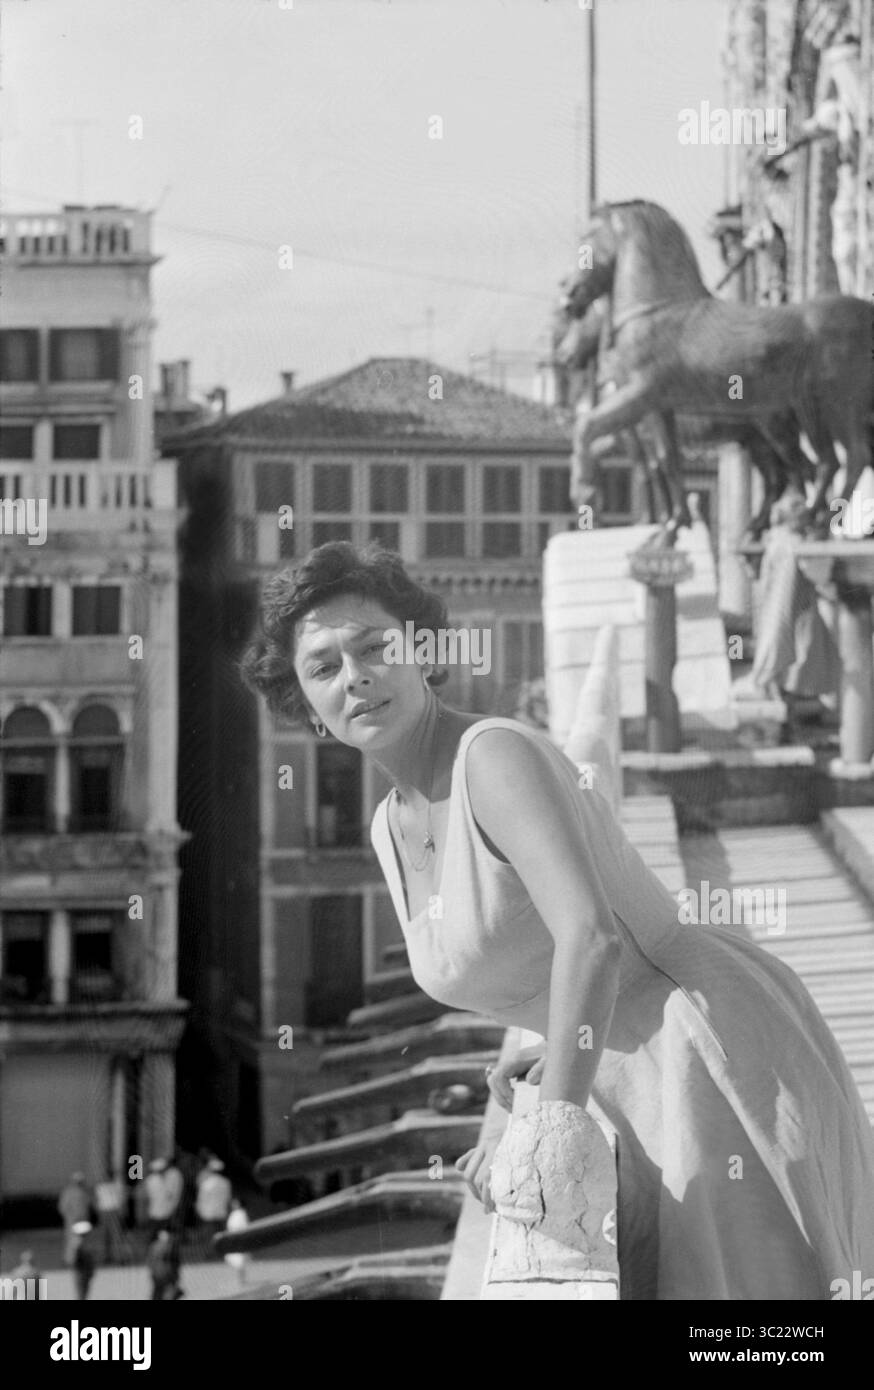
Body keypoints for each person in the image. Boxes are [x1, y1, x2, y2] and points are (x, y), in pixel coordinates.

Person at [241, 540, 874, 1300]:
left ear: (422, 651)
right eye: (324, 669)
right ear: (304, 705)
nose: (358, 678)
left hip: (700, 1051)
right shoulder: (387, 825)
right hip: (623, 1079)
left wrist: (543, 1131)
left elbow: (593, 937)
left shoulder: (492, 757)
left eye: (375, 647)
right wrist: (552, 1058)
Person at [195, 1158, 232, 1255]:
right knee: (221, 1235)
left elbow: (201, 1200)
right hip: (221, 1212)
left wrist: (199, 1211)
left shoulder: (206, 1184)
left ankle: (210, 1253)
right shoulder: (226, 1183)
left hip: (208, 1213)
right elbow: (228, 1198)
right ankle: (221, 1252)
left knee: (209, 1236)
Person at [58, 1172, 94, 1266]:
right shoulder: (68, 1193)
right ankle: (70, 1259)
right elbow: (63, 1207)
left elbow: (88, 1205)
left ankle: (83, 1258)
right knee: (71, 1240)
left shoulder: (84, 1192)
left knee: (84, 1240)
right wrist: (70, 1217)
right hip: (72, 1220)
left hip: (83, 1219)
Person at [94, 1172, 129, 1263]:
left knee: (115, 1236)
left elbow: (96, 1201)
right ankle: (108, 1256)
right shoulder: (102, 1187)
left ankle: (117, 1257)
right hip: (108, 1212)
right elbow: (123, 1200)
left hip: (111, 1212)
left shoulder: (112, 1186)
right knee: (107, 1236)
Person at [144, 1159, 175, 1242]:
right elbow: (169, 1194)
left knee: (154, 1232)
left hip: (154, 1210)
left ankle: (152, 1248)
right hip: (162, 1211)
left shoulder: (149, 1180)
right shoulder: (161, 1180)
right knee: (161, 1233)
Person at [147, 1229, 182, 1301]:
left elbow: (150, 1261)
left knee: (158, 1291)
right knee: (168, 1291)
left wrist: (152, 1270)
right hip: (166, 1273)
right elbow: (175, 1261)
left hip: (156, 1273)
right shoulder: (169, 1246)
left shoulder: (153, 1246)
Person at [223, 1199, 251, 1288]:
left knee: (239, 1259)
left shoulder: (241, 1213)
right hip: (234, 1237)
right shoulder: (235, 1213)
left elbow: (243, 1226)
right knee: (237, 1259)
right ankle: (240, 1279)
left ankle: (241, 1280)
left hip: (238, 1238)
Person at [69, 1221, 97, 1300]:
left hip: (83, 1272)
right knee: (82, 1294)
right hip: (82, 1272)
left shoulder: (80, 1243)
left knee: (83, 1294)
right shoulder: (79, 1244)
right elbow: (74, 1260)